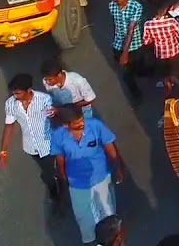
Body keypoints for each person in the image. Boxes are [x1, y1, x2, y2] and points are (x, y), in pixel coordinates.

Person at [51, 105, 126, 245]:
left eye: (82, 122)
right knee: (84, 217)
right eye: (77, 125)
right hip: (77, 183)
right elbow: (60, 159)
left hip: (101, 176)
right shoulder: (58, 136)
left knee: (107, 212)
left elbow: (109, 145)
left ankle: (114, 240)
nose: (82, 126)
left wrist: (118, 168)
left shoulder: (96, 125)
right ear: (66, 125)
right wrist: (63, 178)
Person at [0, 73, 61, 210]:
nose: (16, 97)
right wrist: (3, 152)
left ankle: (57, 195)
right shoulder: (10, 104)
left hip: (49, 145)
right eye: (14, 93)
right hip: (31, 148)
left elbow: (56, 120)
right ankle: (56, 188)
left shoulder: (45, 100)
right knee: (48, 171)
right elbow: (9, 126)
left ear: (29, 91)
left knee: (51, 172)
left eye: (19, 93)